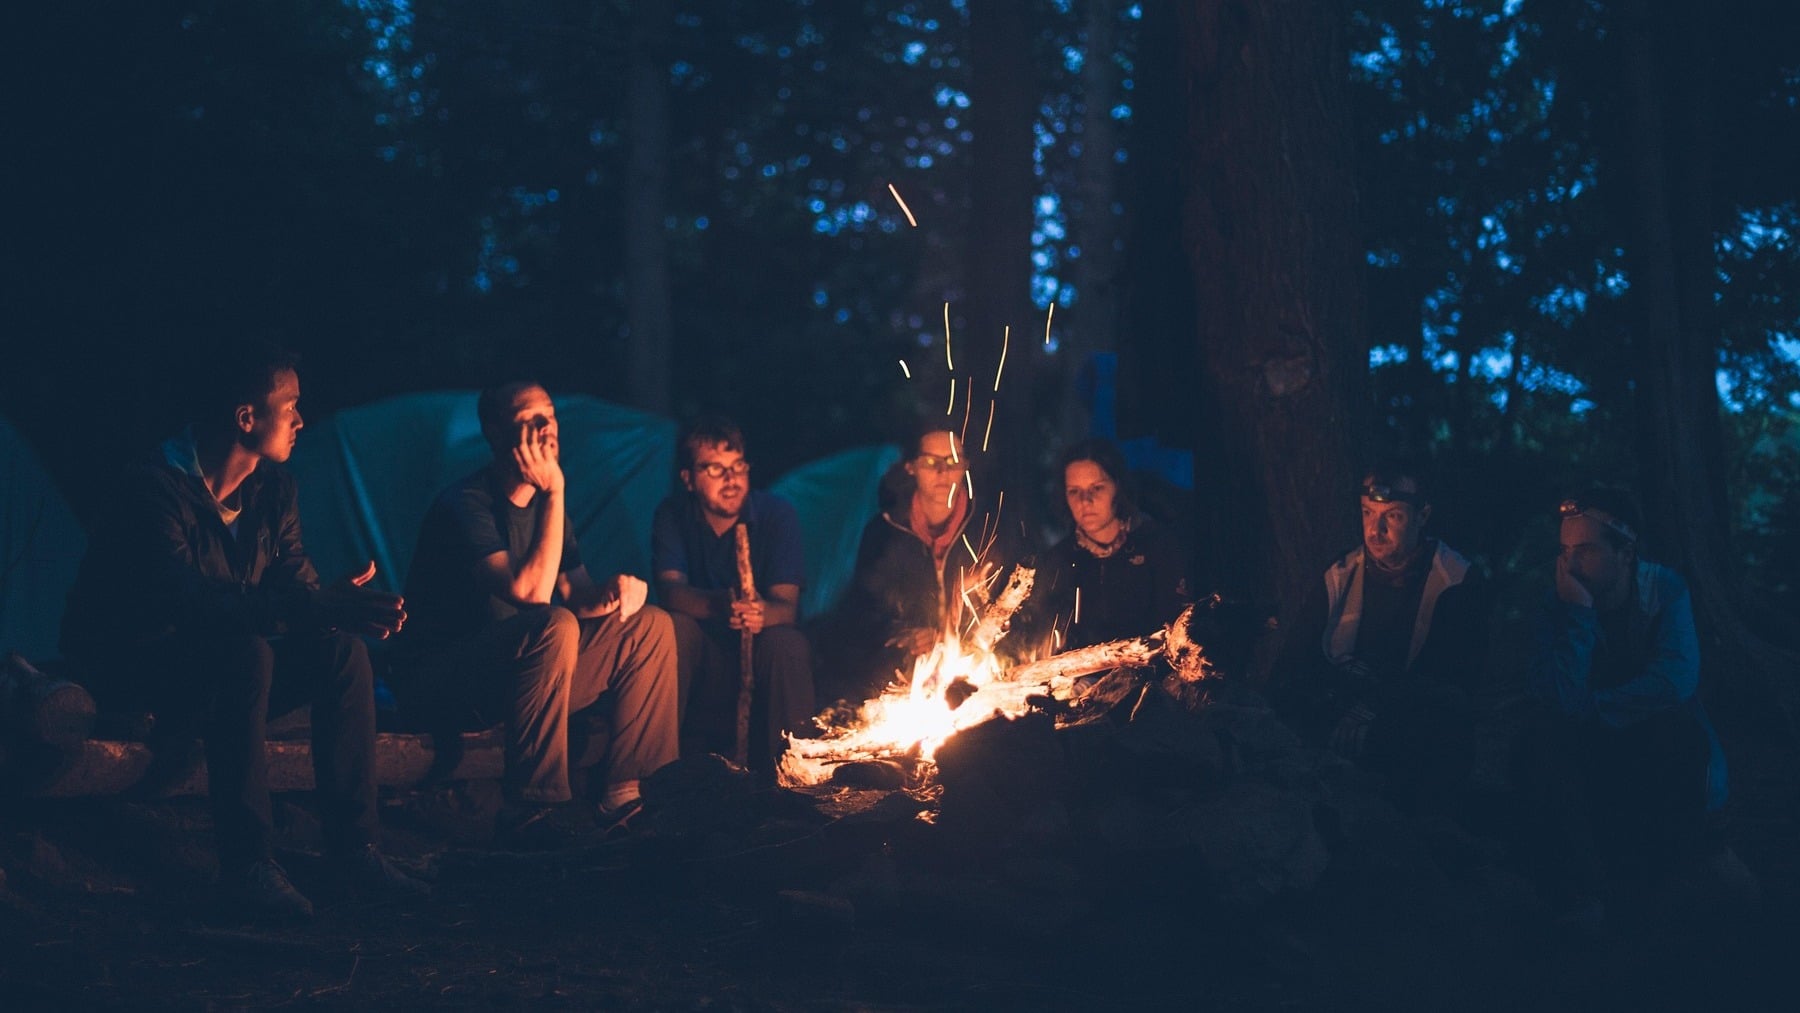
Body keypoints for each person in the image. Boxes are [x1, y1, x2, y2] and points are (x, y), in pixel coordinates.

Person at [60, 344, 426, 919]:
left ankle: (356, 850)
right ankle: (248, 865)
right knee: (247, 654)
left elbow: (292, 585)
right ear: (246, 417)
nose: (301, 420)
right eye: (291, 406)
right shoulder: (154, 490)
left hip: (222, 673)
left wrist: (331, 608)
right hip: (139, 676)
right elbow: (189, 604)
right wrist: (308, 605)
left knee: (340, 652)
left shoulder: (272, 490)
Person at [392, 381, 679, 844]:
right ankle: (533, 807)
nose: (547, 428)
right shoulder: (466, 504)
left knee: (649, 626)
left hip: (526, 677)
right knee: (553, 624)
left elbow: (576, 594)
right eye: (531, 418)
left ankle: (626, 795)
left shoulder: (549, 510)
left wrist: (614, 593)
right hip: (450, 684)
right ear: (495, 432)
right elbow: (531, 592)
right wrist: (555, 490)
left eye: (551, 415)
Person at [1518, 487, 1729, 919]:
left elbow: (1675, 681)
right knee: (1535, 742)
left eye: (1586, 551)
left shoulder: (1663, 591)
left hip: (1644, 738)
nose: (1570, 565)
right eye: (1565, 551)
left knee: (1676, 735)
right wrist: (1578, 616)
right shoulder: (1558, 602)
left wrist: (1595, 708)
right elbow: (1554, 698)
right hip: (1585, 746)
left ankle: (1662, 883)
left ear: (1626, 553)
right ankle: (1583, 890)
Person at [1271, 463, 1489, 809]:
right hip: (1340, 715)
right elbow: (1292, 662)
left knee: (1441, 719)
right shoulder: (1341, 575)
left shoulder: (1455, 582)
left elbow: (1452, 679)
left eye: (1394, 517)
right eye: (1368, 513)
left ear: (1422, 516)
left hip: (1409, 725)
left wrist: (1374, 708)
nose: (1376, 530)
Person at [651, 416, 815, 768]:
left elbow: (787, 606)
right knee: (672, 628)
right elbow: (670, 591)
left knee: (786, 642)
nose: (731, 479)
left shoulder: (775, 515)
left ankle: (795, 772)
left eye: (738, 466)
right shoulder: (674, 515)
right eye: (715, 469)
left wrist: (760, 613)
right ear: (688, 479)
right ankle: (658, 769)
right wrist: (718, 606)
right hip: (705, 656)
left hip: (760, 652)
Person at [828, 425, 1019, 701]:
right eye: (931, 462)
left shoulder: (988, 529)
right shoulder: (884, 532)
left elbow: (1012, 604)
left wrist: (954, 636)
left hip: (978, 663)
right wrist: (906, 634)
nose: (943, 472)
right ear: (911, 467)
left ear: (966, 466)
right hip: (906, 671)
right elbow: (864, 613)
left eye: (953, 461)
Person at [1010, 438, 1193, 658]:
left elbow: (1178, 627)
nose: (1085, 501)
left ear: (1118, 487)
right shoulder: (1058, 562)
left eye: (1097, 488)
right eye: (1074, 491)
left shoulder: (1157, 547)